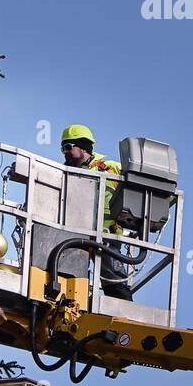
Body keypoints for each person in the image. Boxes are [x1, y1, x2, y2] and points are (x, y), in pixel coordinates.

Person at [60, 124, 131, 299]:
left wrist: (153, 215)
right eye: (63, 149)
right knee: (67, 276)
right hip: (75, 235)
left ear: (83, 147)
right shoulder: (64, 174)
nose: (65, 152)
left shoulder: (109, 168)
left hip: (107, 235)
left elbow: (142, 187)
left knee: (113, 280)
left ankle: (123, 313)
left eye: (68, 147)